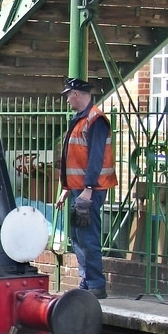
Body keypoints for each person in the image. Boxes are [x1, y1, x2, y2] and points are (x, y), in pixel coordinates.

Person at [55, 77, 117, 299]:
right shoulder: (80, 119)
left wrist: (88, 189)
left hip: (90, 189)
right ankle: (87, 281)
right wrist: (66, 187)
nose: (67, 99)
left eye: (68, 95)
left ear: (77, 95)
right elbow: (72, 157)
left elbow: (96, 157)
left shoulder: (95, 120)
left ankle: (96, 285)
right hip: (79, 188)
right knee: (78, 236)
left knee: (87, 236)